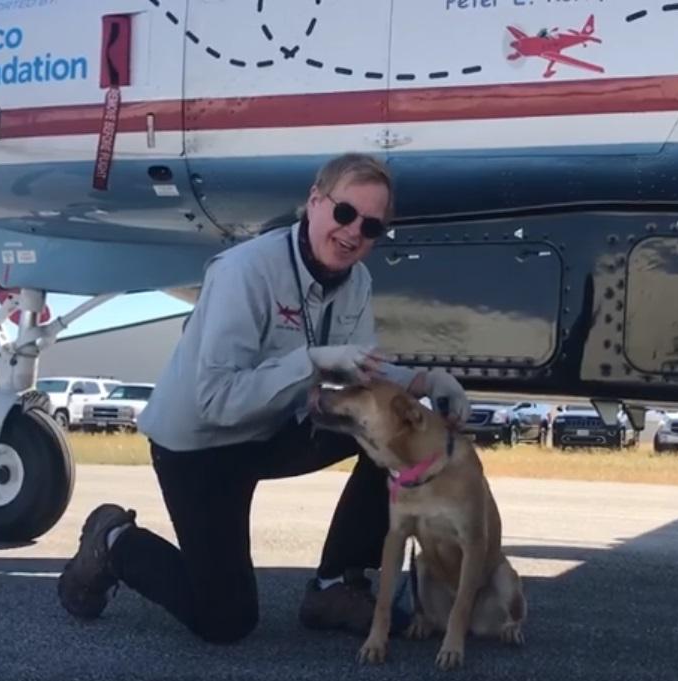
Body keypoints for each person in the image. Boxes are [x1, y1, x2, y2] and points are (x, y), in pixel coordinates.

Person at [56, 152, 472, 643]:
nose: (354, 231)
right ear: (315, 202)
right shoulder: (244, 272)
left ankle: (335, 586)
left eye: (372, 226)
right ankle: (113, 540)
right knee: (225, 621)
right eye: (344, 213)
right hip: (200, 449)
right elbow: (216, 400)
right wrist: (312, 361)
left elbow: (362, 378)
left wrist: (425, 383)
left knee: (399, 429)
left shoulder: (356, 281)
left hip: (273, 430)